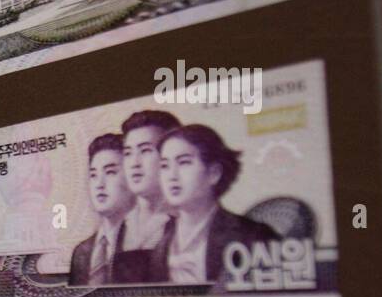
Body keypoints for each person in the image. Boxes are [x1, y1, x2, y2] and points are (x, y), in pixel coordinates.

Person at [147, 123, 278, 286]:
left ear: (214, 173)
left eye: (184, 162)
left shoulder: (252, 235)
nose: (171, 176)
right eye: (164, 166)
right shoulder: (161, 242)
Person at [110, 109, 180, 284]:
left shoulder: (189, 223)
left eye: (145, 150)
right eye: (128, 153)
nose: (134, 163)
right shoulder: (118, 227)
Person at [68, 133, 134, 286]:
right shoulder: (81, 252)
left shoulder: (145, 241)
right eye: (93, 175)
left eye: (110, 172)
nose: (99, 184)